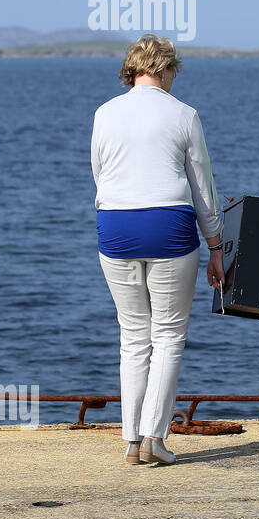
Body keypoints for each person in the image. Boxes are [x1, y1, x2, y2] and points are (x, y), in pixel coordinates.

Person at [91, 34, 224, 466]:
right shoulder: (184, 115)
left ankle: (130, 441)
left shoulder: (104, 113)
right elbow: (203, 189)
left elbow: (100, 175)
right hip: (169, 228)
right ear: (165, 69)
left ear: (132, 70)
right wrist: (217, 246)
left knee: (133, 337)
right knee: (168, 335)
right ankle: (155, 439)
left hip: (115, 228)